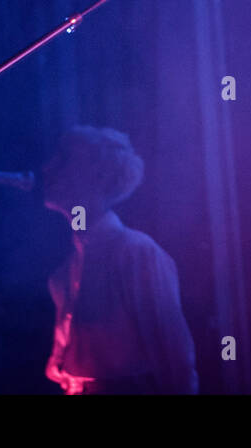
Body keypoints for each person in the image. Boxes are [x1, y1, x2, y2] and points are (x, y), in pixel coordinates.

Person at [41, 125, 199, 394]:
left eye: (65, 160)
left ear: (98, 176)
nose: (47, 168)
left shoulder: (136, 252)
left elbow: (175, 359)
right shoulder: (69, 267)